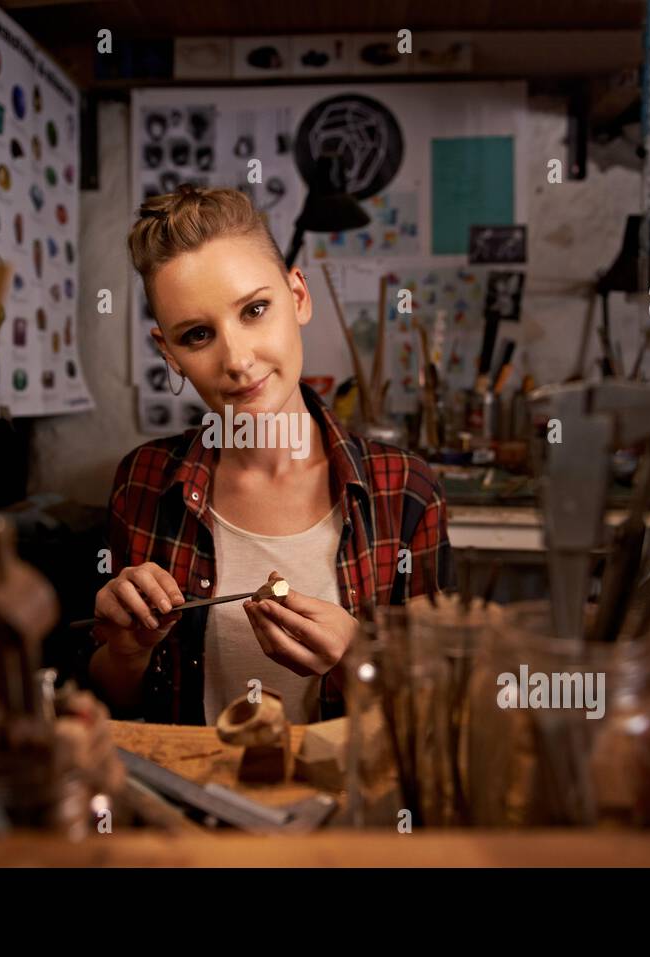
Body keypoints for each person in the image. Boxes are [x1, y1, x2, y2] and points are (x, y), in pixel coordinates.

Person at [84, 185, 450, 725]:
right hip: (190, 805)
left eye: (255, 309)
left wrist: (358, 658)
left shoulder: (405, 491)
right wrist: (126, 652)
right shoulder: (142, 481)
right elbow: (115, 705)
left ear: (297, 296)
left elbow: (442, 706)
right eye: (198, 334)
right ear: (171, 353)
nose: (237, 359)